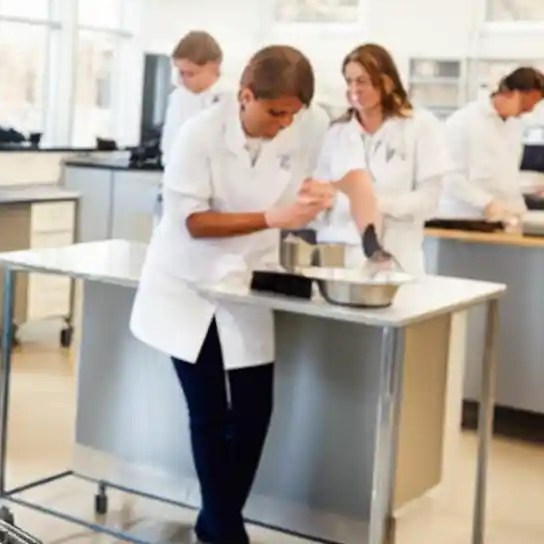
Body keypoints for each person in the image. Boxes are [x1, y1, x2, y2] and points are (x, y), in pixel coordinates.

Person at [130, 45, 387, 544]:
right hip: (186, 283)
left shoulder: (308, 122)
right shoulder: (199, 134)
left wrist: (373, 242)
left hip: (246, 283)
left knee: (253, 414)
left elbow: (356, 179)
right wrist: (274, 217)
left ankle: (215, 524)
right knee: (209, 415)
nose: (285, 123)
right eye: (275, 113)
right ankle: (227, 532)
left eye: (293, 114)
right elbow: (193, 221)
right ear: (246, 96)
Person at [316, 44, 451, 273]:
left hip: (399, 258)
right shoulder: (337, 133)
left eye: (362, 81)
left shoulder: (420, 126)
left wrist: (373, 203)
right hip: (341, 259)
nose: (354, 89)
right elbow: (320, 194)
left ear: (386, 83)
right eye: (349, 82)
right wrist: (328, 201)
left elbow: (429, 202)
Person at [439, 66, 544, 227]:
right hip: (464, 218)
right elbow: (447, 176)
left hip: (501, 220)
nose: (529, 110)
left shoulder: (514, 126)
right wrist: (486, 202)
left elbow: (506, 178)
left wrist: (519, 204)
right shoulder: (464, 121)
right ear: (509, 92)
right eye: (524, 104)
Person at [160, 30, 230, 160]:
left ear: (214, 66)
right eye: (181, 73)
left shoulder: (233, 99)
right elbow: (169, 146)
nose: (183, 80)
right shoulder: (179, 97)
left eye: (190, 74)